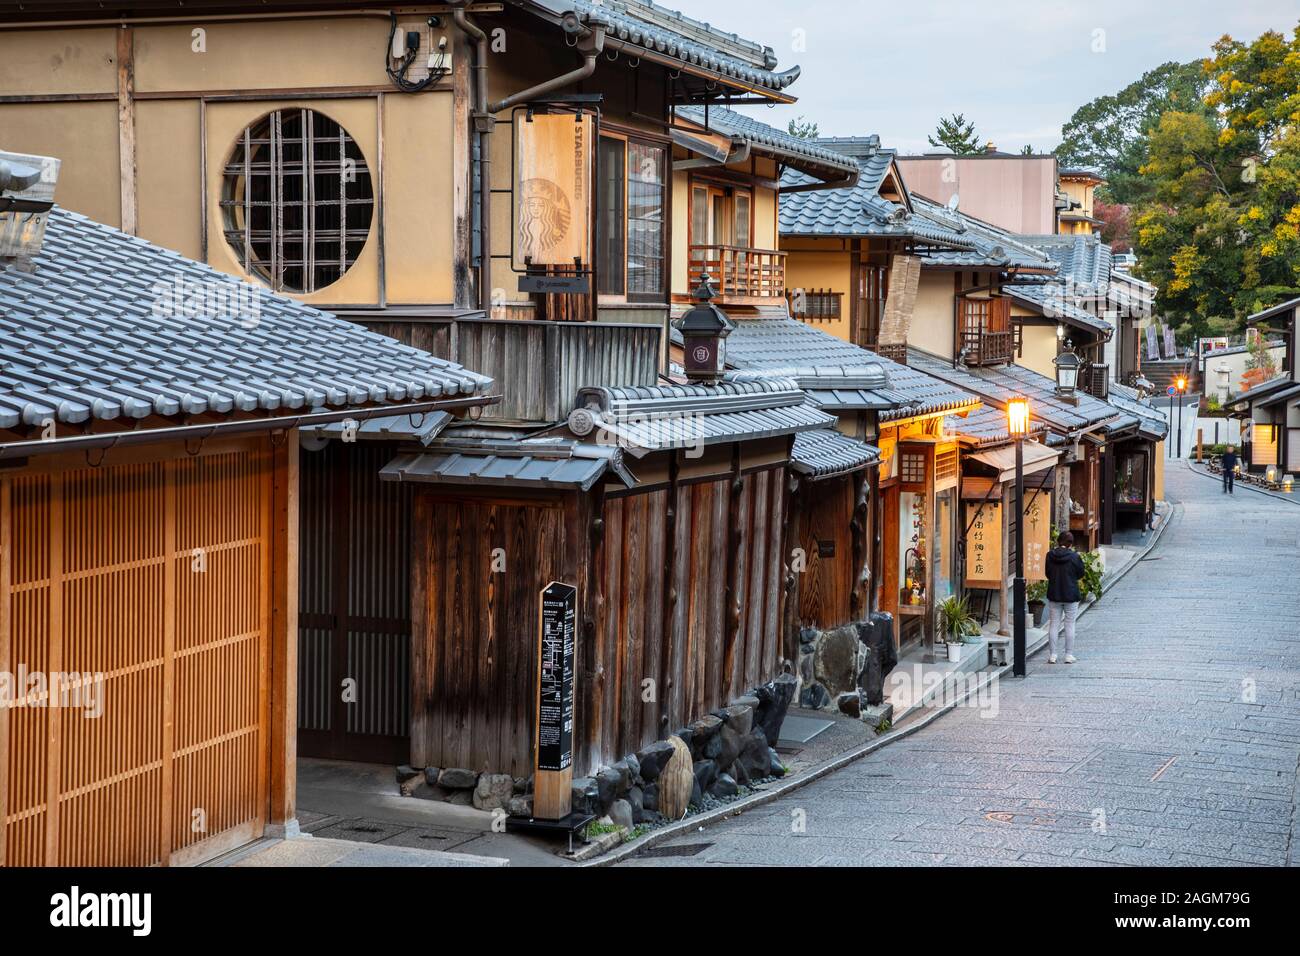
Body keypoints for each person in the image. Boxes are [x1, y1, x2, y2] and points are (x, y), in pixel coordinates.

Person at [1044, 530, 1086, 664]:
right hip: (1071, 594)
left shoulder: (1050, 555)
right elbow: (1080, 573)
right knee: (1070, 625)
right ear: (1070, 544)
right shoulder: (1074, 557)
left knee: (1054, 624)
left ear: (1058, 541)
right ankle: (1068, 655)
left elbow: (1048, 573)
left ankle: (1053, 655)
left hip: (1054, 593)